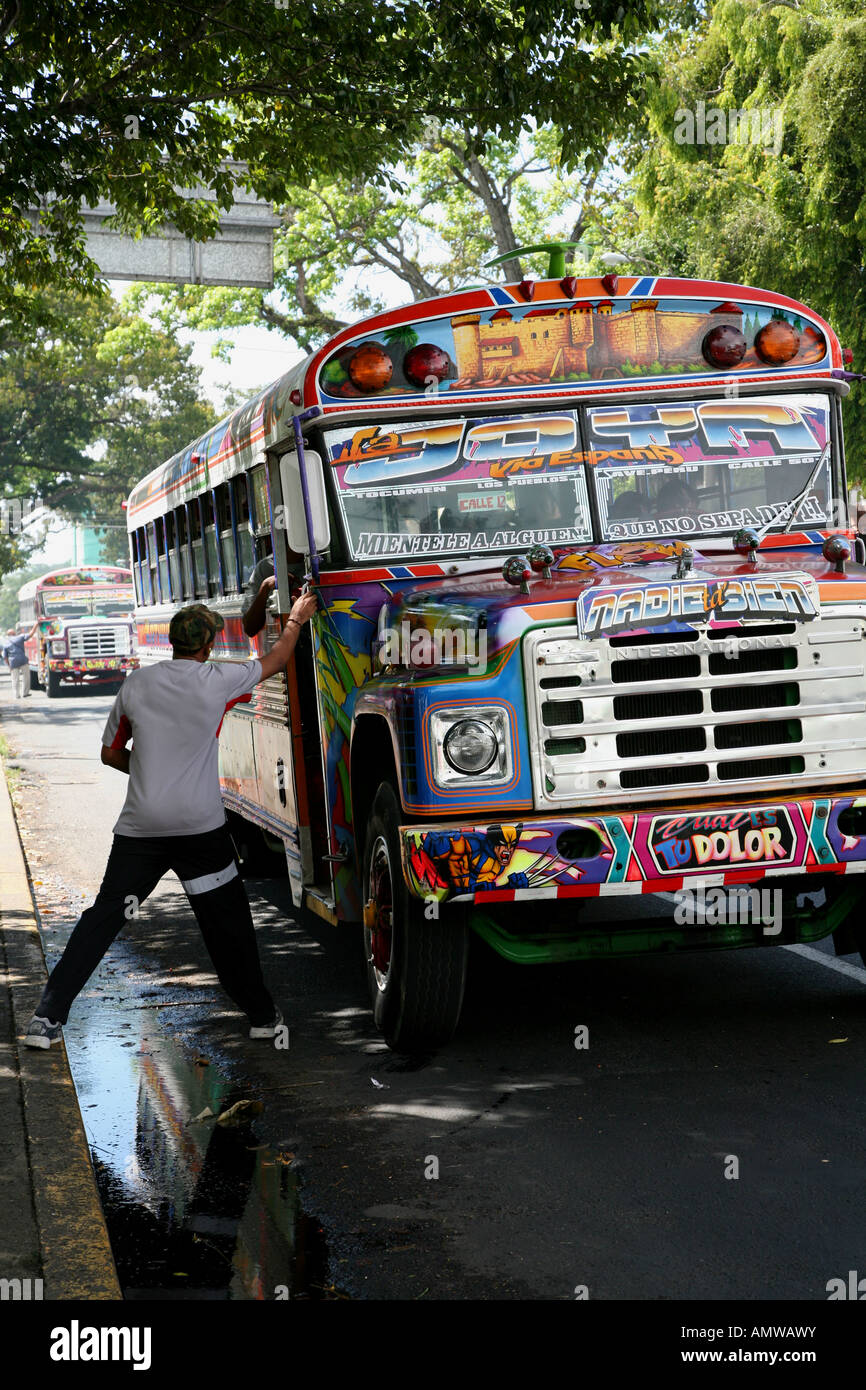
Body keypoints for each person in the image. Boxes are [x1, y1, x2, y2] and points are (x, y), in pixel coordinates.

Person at [24, 593, 317, 1050]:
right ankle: (261, 1016)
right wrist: (296, 619)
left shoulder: (136, 685)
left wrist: (146, 772)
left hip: (141, 831)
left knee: (103, 920)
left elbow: (109, 753)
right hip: (201, 831)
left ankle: (46, 1019)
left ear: (173, 641)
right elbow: (277, 660)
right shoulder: (218, 679)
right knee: (226, 925)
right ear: (206, 647)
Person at [2, 624, 37, 700]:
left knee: (15, 679)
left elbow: (5, 657)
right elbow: (31, 634)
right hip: (22, 660)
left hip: (13, 662)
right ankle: (25, 693)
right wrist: (35, 626)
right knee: (26, 677)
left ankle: (16, 695)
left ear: (8, 635)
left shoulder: (5, 643)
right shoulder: (20, 637)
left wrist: (9, 666)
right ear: (14, 634)